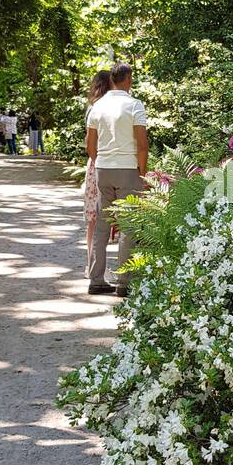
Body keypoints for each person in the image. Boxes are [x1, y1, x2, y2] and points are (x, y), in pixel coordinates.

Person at [86, 63, 148, 297]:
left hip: (103, 168)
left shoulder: (97, 106)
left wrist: (101, 161)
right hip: (127, 168)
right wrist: (141, 173)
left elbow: (89, 145)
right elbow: (142, 145)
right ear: (128, 79)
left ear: (112, 79)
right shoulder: (134, 105)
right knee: (128, 226)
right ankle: (124, 281)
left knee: (102, 225)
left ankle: (96, 279)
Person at [84, 70, 111, 279]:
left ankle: (91, 265)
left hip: (95, 164)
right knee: (109, 219)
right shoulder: (111, 107)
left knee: (94, 219)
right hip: (108, 162)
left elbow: (88, 144)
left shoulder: (92, 108)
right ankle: (100, 267)